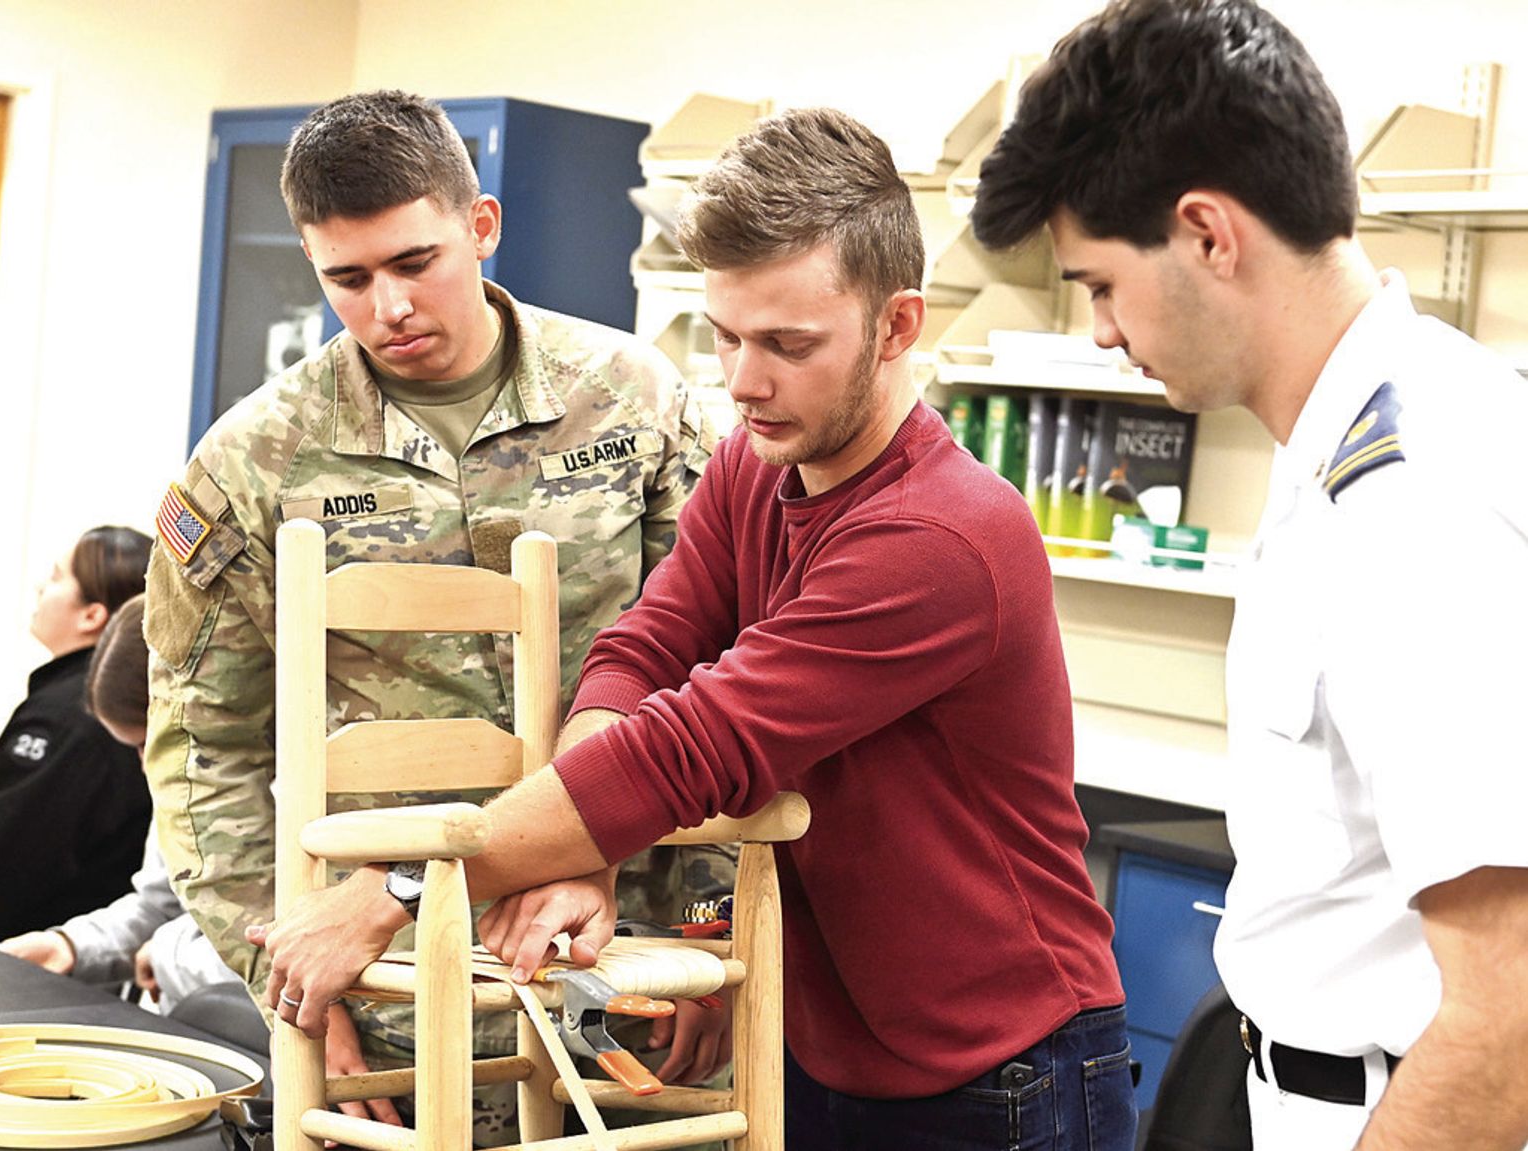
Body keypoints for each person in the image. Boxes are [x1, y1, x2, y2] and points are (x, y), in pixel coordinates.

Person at [252, 106, 1135, 1151]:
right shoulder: (754, 468)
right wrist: (587, 854)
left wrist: (398, 886)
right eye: (725, 336)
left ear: (900, 326)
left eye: (789, 344)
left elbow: (695, 745)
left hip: (999, 1073)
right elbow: (641, 654)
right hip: (828, 1047)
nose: (744, 381)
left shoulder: (941, 535)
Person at [968, 1, 1528, 1148]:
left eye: (1101, 283)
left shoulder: (1411, 501)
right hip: (1284, 1078)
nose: (1101, 333)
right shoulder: (1338, 436)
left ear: (1210, 234)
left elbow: (1507, 1004)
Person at [143, 90, 718, 1142]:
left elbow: (719, 674)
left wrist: (710, 933)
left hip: (616, 949)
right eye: (347, 280)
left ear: (482, 225)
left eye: (415, 263)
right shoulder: (254, 460)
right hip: (386, 974)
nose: (386, 308)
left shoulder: (634, 399)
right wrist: (283, 967)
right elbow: (200, 745)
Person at [0, 595, 240, 1014]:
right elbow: (157, 906)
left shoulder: (308, 792)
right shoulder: (176, 788)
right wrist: (68, 946)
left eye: (151, 743)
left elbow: (283, 952)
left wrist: (167, 952)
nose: (147, 766)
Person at [0, 525, 152, 940]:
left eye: (55, 578)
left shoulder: (74, 716)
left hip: (37, 957)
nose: (39, 589)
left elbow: (14, 854)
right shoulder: (113, 704)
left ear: (92, 614)